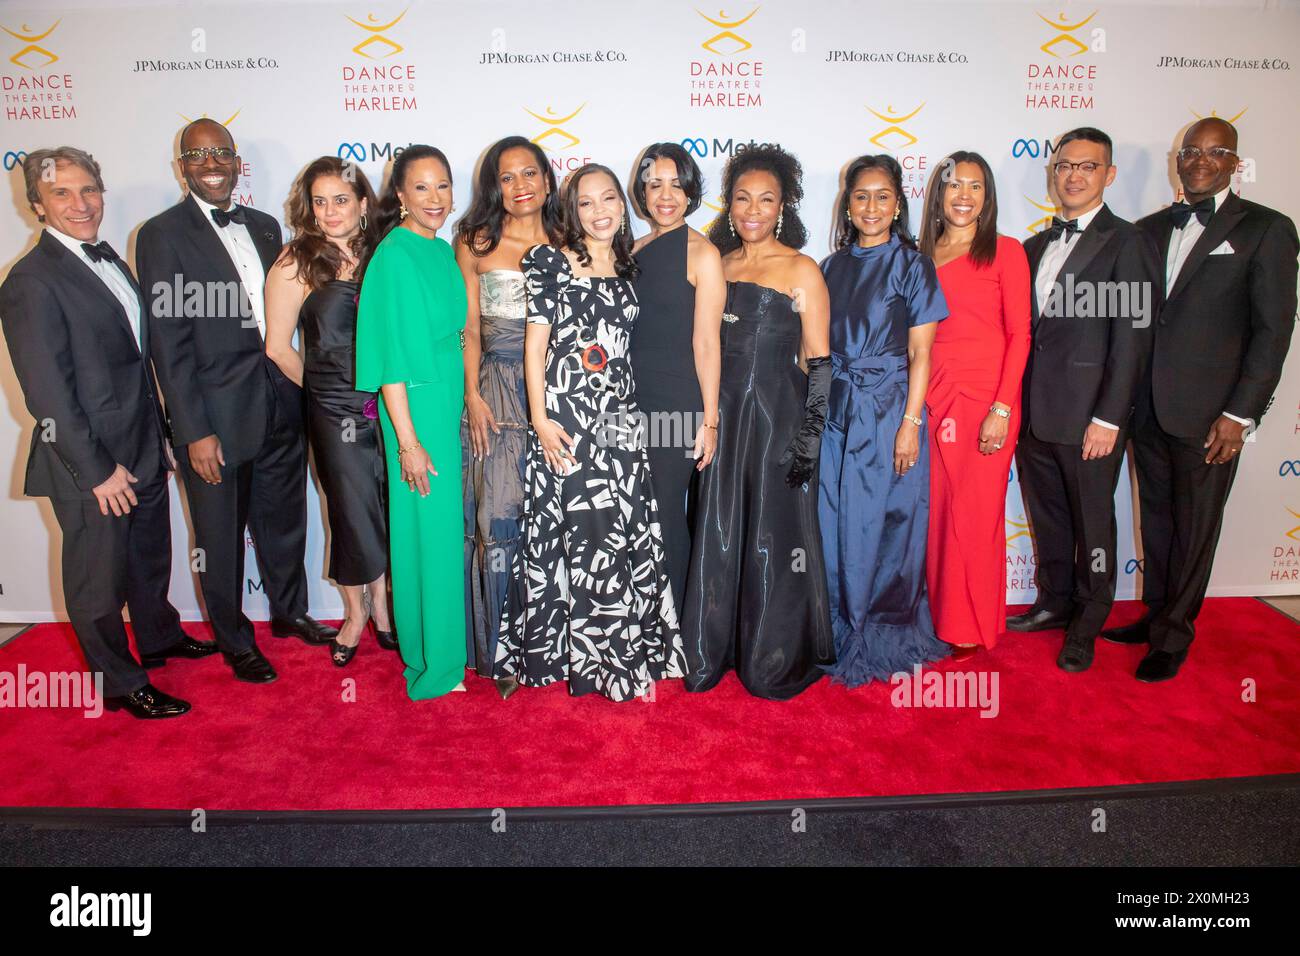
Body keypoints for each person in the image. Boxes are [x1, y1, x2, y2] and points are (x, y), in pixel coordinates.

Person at [0, 148, 211, 718]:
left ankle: (160, 635)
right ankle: (120, 683)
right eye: (62, 194)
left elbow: (134, 358)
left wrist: (160, 434)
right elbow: (45, 393)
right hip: (88, 462)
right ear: (36, 205)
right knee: (97, 580)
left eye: (88, 189)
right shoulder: (30, 282)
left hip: (141, 442)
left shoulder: (109, 257)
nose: (80, 203)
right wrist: (96, 470)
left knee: (148, 554)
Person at [138, 118, 336, 684]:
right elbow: (167, 341)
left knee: (285, 517)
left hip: (281, 399)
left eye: (222, 152)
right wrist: (192, 428)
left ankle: (290, 611)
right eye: (198, 155)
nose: (213, 164)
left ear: (236, 160)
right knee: (220, 534)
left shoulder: (267, 225)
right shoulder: (161, 234)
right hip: (214, 418)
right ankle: (234, 639)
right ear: (183, 167)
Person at [1102, 117, 1298, 681]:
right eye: (1192, 150)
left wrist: (1241, 413)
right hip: (1147, 408)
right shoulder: (1151, 228)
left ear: (1236, 163)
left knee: (1195, 526)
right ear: (1177, 159)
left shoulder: (1266, 229)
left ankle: (1173, 636)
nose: (1201, 159)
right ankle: (1157, 615)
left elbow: (1273, 331)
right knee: (1157, 522)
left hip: (1212, 415)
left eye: (1217, 152)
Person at [494, 163, 686, 702]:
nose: (600, 212)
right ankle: (581, 656)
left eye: (609, 200)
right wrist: (540, 419)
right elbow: (535, 348)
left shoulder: (630, 265)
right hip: (567, 417)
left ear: (623, 205)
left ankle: (622, 649)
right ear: (571, 211)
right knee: (581, 535)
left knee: (619, 532)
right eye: (586, 203)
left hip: (620, 417)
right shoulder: (550, 261)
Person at [683, 144, 834, 699]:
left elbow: (818, 363)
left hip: (777, 424)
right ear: (729, 204)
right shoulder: (716, 264)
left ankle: (769, 657)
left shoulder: (801, 269)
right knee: (719, 530)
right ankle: (711, 648)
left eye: (765, 199)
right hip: (720, 421)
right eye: (743, 198)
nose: (752, 209)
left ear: (783, 205)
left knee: (773, 537)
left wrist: (810, 440)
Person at [1006, 128, 1158, 673]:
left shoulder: (1127, 242)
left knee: (1094, 525)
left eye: (1087, 167)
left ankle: (1088, 622)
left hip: (1091, 416)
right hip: (1034, 413)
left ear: (1108, 175)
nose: (1073, 175)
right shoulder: (1032, 246)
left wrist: (1109, 418)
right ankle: (1053, 601)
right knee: (1048, 516)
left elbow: (1133, 339)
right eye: (1065, 165)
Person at [819, 154, 949, 687]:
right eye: (860, 196)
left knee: (885, 522)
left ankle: (878, 628)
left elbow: (922, 355)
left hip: (889, 407)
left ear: (898, 204)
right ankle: (832, 626)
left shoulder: (913, 265)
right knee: (832, 521)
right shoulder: (830, 267)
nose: (871, 207)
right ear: (847, 205)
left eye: (882, 197)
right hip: (835, 409)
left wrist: (910, 423)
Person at [265, 156, 395, 667]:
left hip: (391, 403)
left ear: (363, 203)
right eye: (320, 202)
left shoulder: (385, 253)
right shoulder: (296, 260)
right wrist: (323, 390)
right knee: (349, 509)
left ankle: (383, 608)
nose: (330, 211)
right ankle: (354, 613)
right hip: (333, 408)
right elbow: (278, 346)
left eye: (341, 199)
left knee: (386, 506)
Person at [355, 145, 468, 700]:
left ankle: (432, 652)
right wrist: (407, 443)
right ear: (399, 194)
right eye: (421, 188)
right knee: (431, 534)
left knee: (436, 536)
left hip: (445, 401)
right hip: (416, 410)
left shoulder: (439, 250)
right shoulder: (395, 256)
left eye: (443, 186)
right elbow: (390, 363)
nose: (435, 199)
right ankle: (436, 665)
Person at [454, 136, 562, 697]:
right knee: (496, 518)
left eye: (529, 173)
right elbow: (469, 330)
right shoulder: (475, 242)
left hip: (560, 392)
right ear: (494, 186)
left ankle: (551, 642)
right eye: (506, 177)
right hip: (495, 388)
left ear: (547, 178)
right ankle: (500, 650)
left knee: (554, 520)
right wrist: (472, 395)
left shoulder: (572, 240)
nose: (520, 186)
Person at [919, 151, 1032, 660]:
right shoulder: (920, 254)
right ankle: (941, 615)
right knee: (937, 515)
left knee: (975, 514)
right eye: (954, 185)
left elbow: (1020, 334)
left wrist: (1002, 409)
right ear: (938, 195)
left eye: (976, 187)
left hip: (984, 400)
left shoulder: (1005, 251)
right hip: (928, 396)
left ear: (987, 198)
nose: (963, 196)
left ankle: (970, 623)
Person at [629, 142, 724, 613]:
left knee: (666, 514)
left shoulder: (702, 254)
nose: (666, 195)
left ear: (691, 191)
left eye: (677, 184)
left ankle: (679, 631)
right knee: (634, 516)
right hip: (626, 401)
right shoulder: (632, 248)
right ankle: (642, 621)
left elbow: (707, 343)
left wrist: (709, 421)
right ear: (641, 191)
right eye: (655, 184)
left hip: (677, 405)